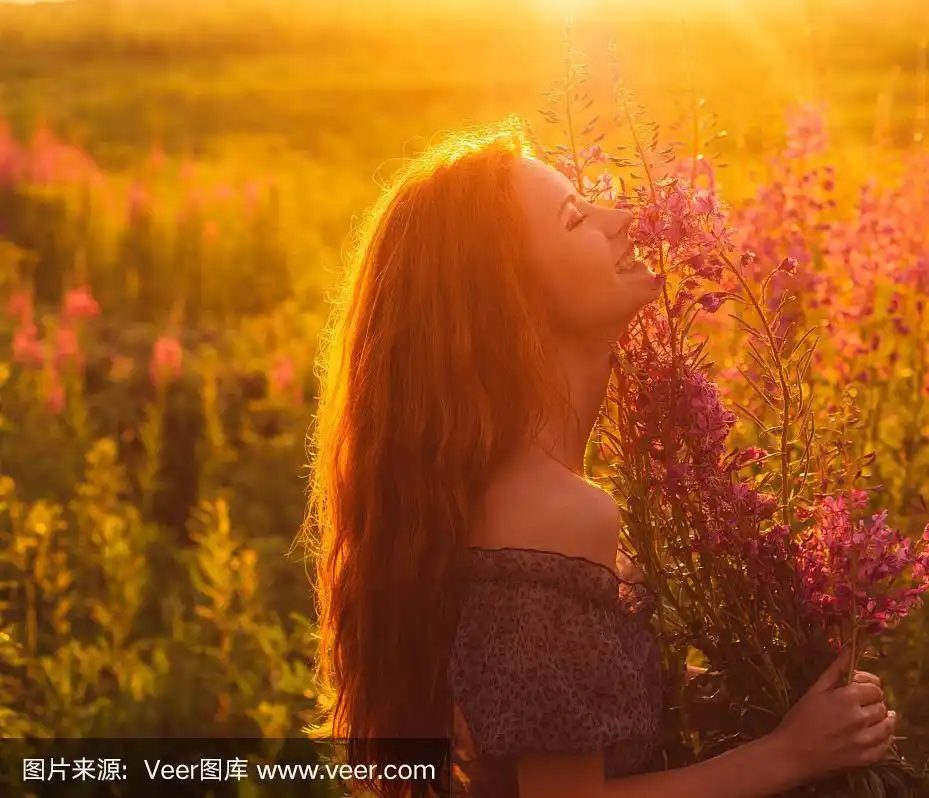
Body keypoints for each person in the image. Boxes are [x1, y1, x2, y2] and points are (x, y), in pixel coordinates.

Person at [303, 119, 897, 798]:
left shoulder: (510, 493)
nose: (623, 220)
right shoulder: (552, 516)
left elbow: (575, 715)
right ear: (510, 299)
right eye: (575, 218)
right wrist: (790, 755)